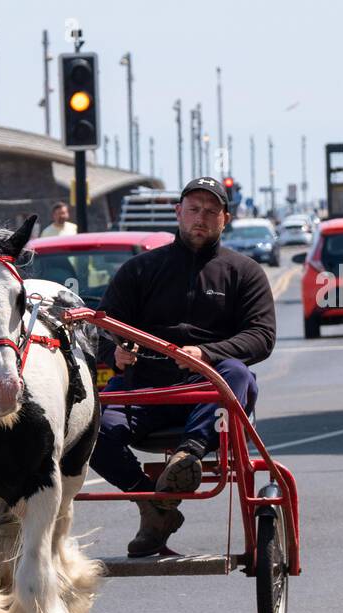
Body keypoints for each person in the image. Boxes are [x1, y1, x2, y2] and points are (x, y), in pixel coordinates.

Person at [89, 177, 276, 558]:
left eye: (210, 211)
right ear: (179, 213)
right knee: (90, 428)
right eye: (193, 209)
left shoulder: (245, 272)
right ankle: (154, 505)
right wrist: (115, 353)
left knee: (238, 373)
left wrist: (207, 354)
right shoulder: (139, 270)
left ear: (225, 219)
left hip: (210, 392)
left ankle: (187, 456)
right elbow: (104, 329)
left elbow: (262, 336)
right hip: (146, 389)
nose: (200, 218)